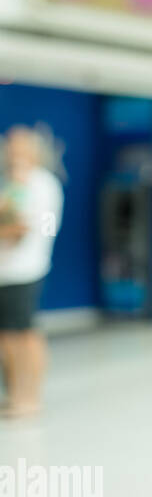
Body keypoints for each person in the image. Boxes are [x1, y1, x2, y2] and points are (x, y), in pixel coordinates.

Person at [0, 125, 64, 419]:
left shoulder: (38, 184)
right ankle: (15, 395)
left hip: (23, 270)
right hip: (7, 271)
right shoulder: (14, 181)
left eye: (19, 145)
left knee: (22, 334)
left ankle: (29, 398)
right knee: (9, 336)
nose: (12, 150)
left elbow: (20, 229)